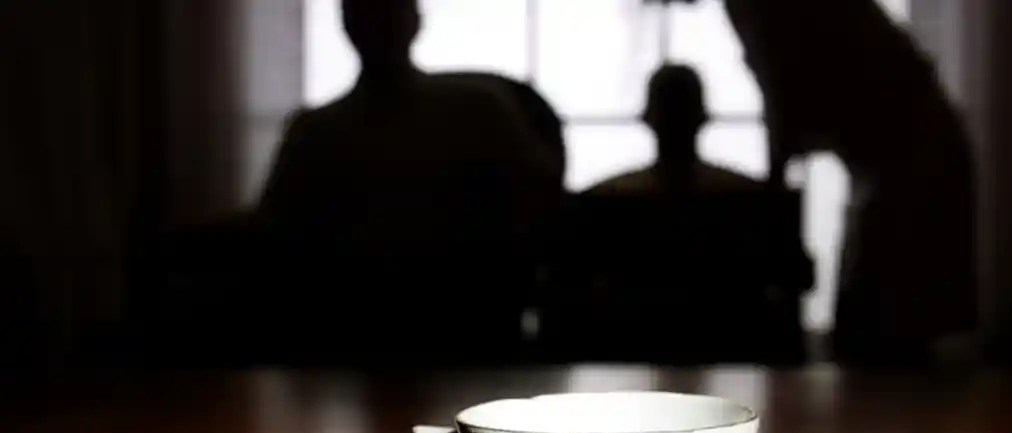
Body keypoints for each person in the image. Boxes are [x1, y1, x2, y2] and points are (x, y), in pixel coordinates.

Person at [256, 0, 559, 363]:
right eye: (369, 15)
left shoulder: (479, 109)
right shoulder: (315, 132)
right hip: (355, 328)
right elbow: (274, 237)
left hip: (464, 319)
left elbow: (540, 205)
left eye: (388, 13)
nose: (380, 27)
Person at [725, 0, 977, 366]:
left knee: (881, 338)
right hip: (910, 149)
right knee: (879, 340)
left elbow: (782, 105)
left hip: (913, 152)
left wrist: (774, 222)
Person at [586, 64, 762, 196]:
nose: (674, 120)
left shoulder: (612, 194)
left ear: (647, 118)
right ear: (703, 117)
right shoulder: (742, 194)